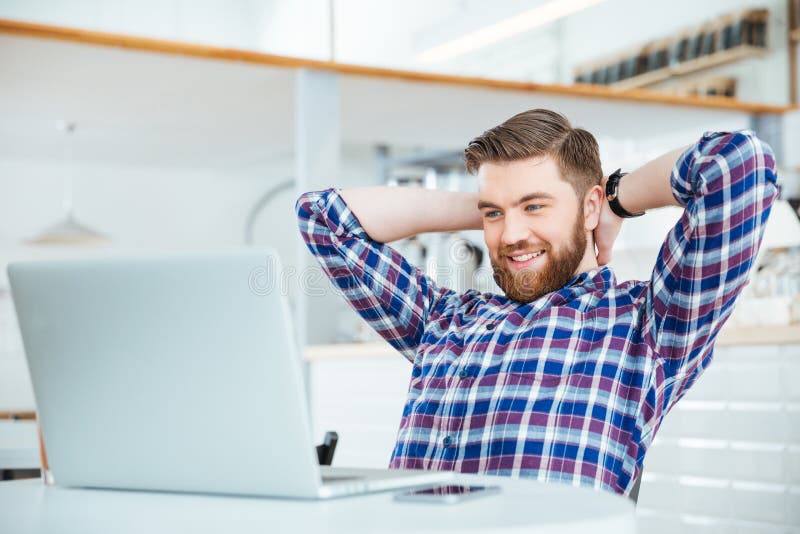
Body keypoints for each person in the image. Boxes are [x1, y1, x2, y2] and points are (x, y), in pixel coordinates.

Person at [295, 109, 778, 497]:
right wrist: (491, 206)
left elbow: (739, 164)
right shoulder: (445, 320)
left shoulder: (648, 327)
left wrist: (616, 199)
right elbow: (322, 218)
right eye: (495, 215)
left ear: (586, 207)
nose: (511, 235)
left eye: (535, 205)